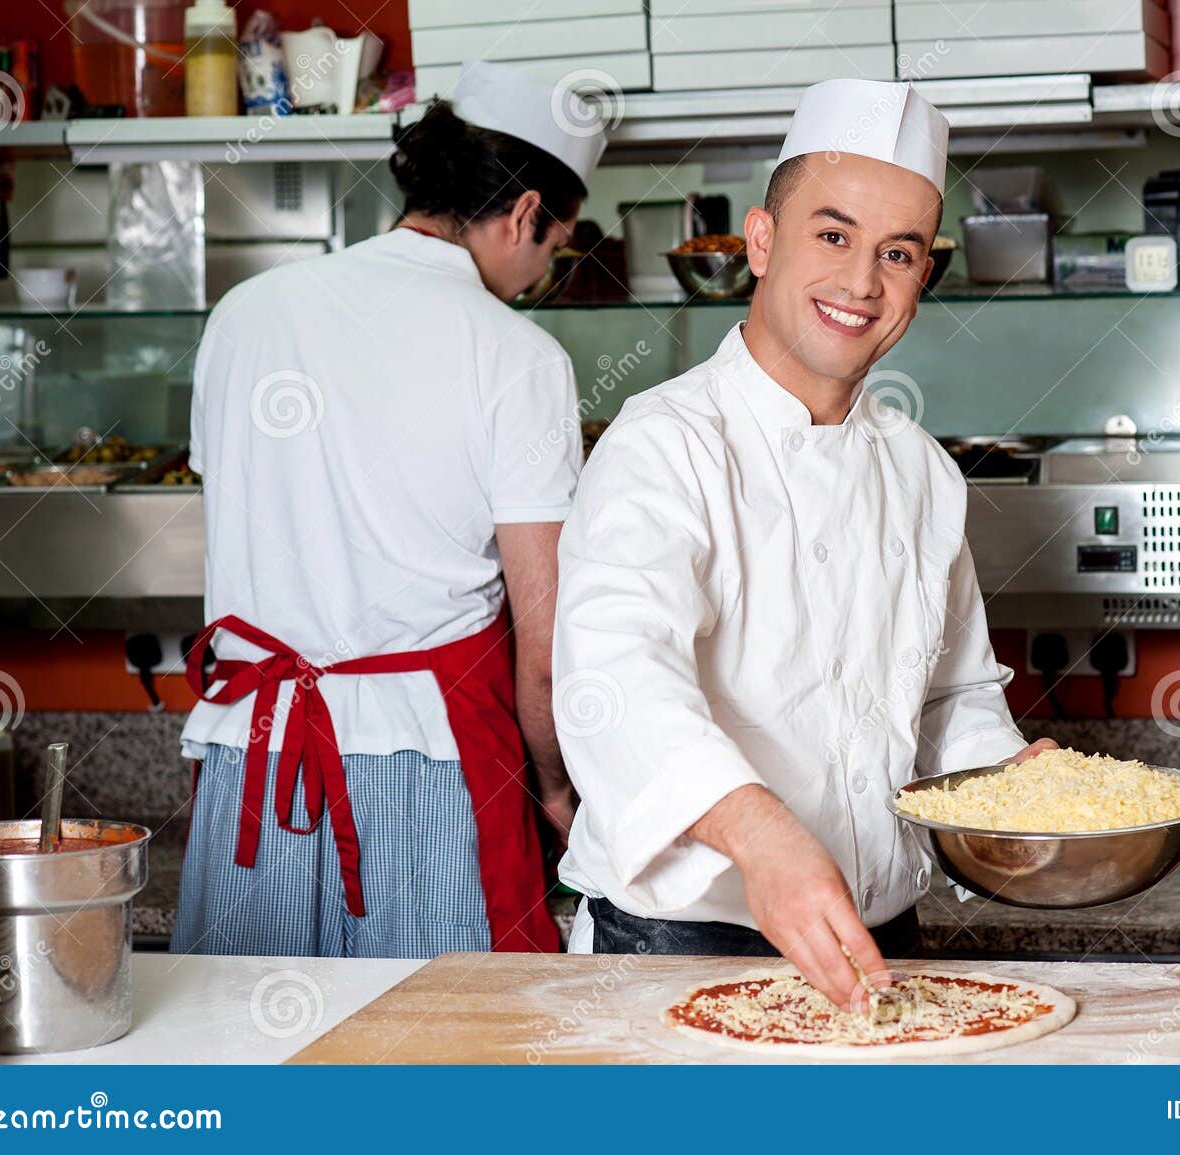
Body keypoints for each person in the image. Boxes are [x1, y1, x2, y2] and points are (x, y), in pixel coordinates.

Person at [553, 79, 1055, 1006]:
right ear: (761, 240)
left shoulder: (920, 471)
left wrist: (1006, 784)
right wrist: (760, 833)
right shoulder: (663, 443)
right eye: (834, 236)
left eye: (897, 253)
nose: (863, 281)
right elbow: (612, 681)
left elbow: (949, 697)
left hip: (883, 932)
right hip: (681, 939)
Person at [172, 62, 606, 958]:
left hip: (250, 758)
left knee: (248, 1060)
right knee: (442, 1067)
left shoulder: (244, 314)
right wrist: (559, 789)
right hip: (430, 768)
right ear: (525, 213)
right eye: (554, 248)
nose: (539, 275)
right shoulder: (518, 357)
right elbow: (545, 641)